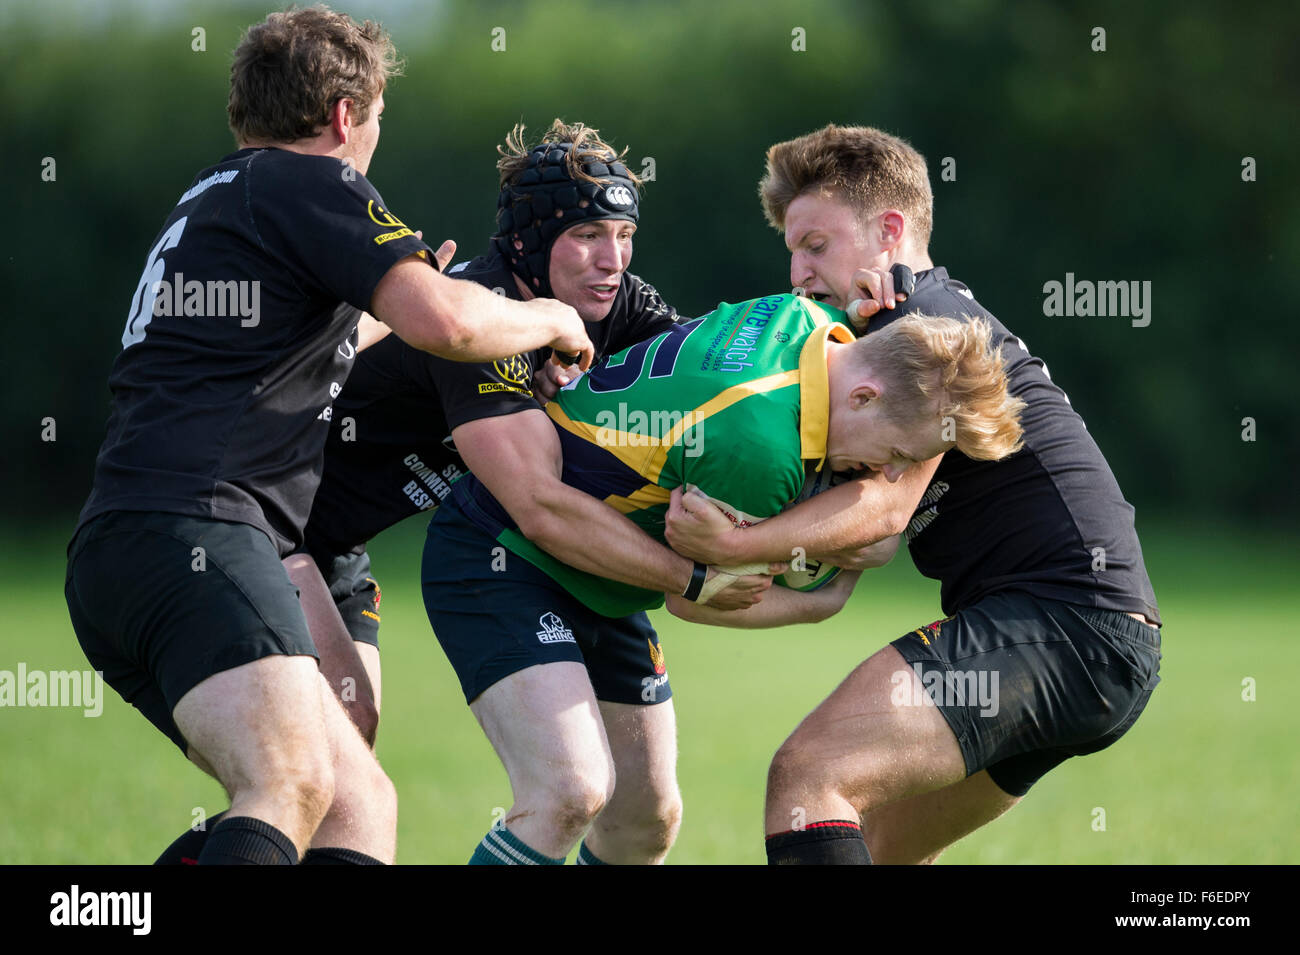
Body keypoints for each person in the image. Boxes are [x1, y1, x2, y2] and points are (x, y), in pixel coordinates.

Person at [64, 7, 590, 866]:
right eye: (378, 117)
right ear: (347, 115)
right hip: (199, 531)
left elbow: (308, 342)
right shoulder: (310, 184)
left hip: (129, 546)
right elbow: (444, 323)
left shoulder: (213, 196)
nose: (375, 138)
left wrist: (407, 302)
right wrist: (545, 316)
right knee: (293, 784)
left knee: (349, 807)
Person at [663, 124, 1163, 865]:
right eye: (792, 248)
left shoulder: (924, 329)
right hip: (1096, 639)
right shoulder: (892, 335)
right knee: (880, 848)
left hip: (1063, 621)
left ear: (890, 230)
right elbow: (854, 556)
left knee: (808, 778)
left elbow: (885, 514)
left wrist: (731, 547)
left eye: (817, 245)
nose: (797, 271)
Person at [423, 286, 1025, 865]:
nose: (884, 475)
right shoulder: (759, 448)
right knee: (569, 792)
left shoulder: (804, 319)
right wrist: (826, 594)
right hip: (501, 556)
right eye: (895, 453)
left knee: (645, 822)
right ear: (864, 397)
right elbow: (698, 598)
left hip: (603, 582)